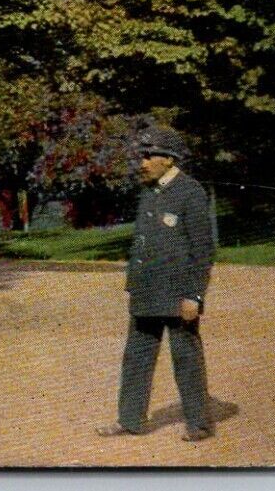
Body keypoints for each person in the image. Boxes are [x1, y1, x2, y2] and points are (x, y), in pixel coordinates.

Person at [97, 125, 216, 442]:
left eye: (149, 156)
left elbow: (203, 249)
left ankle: (198, 424)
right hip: (147, 292)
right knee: (136, 358)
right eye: (142, 156)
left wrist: (194, 295)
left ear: (169, 159)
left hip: (178, 294)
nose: (143, 163)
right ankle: (129, 420)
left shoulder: (190, 192)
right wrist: (134, 286)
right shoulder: (149, 192)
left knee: (186, 358)